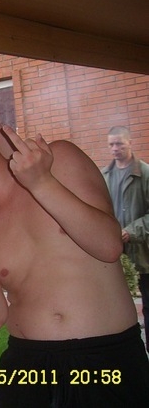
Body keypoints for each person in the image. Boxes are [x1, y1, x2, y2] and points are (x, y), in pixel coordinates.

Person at [0, 96, 149, 407]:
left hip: (105, 360)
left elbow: (109, 246)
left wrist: (41, 183)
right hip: (27, 368)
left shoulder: (57, 159)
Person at [102, 125, 149, 350]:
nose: (115, 148)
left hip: (143, 255)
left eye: (119, 143)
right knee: (116, 307)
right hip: (115, 255)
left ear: (130, 142)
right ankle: (123, 351)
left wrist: (131, 231)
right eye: (111, 144)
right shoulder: (104, 176)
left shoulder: (145, 174)